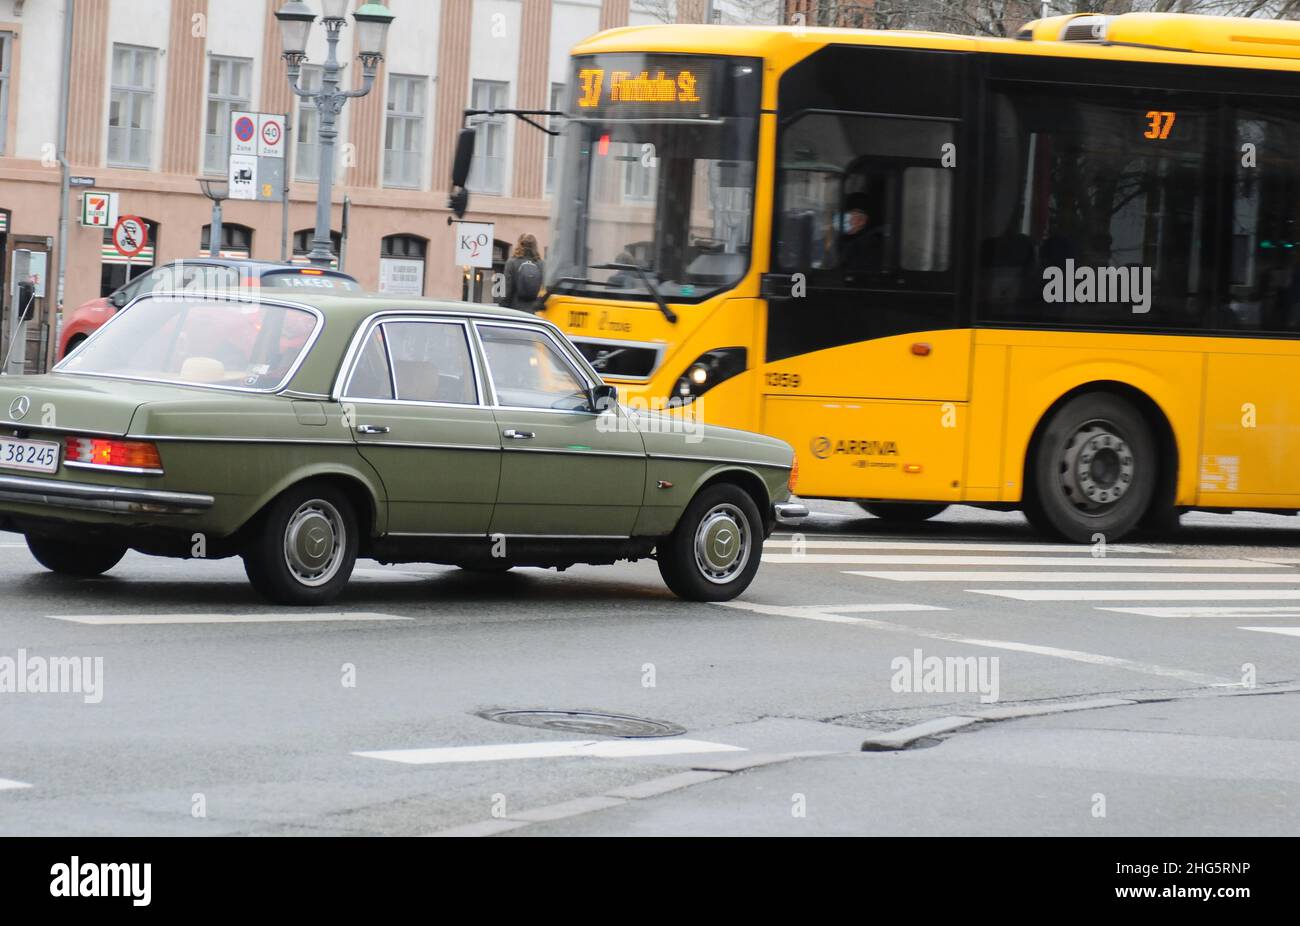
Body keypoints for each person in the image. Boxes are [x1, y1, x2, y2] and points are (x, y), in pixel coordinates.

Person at [838, 191, 885, 271]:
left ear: (864, 220)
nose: (848, 219)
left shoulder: (870, 245)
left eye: (853, 215)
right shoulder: (842, 240)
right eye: (847, 214)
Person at [499, 233, 545, 312]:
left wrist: (502, 308)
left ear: (519, 244)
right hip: (534, 312)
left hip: (515, 311)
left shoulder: (512, 262)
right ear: (535, 246)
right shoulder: (541, 264)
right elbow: (543, 290)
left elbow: (507, 290)